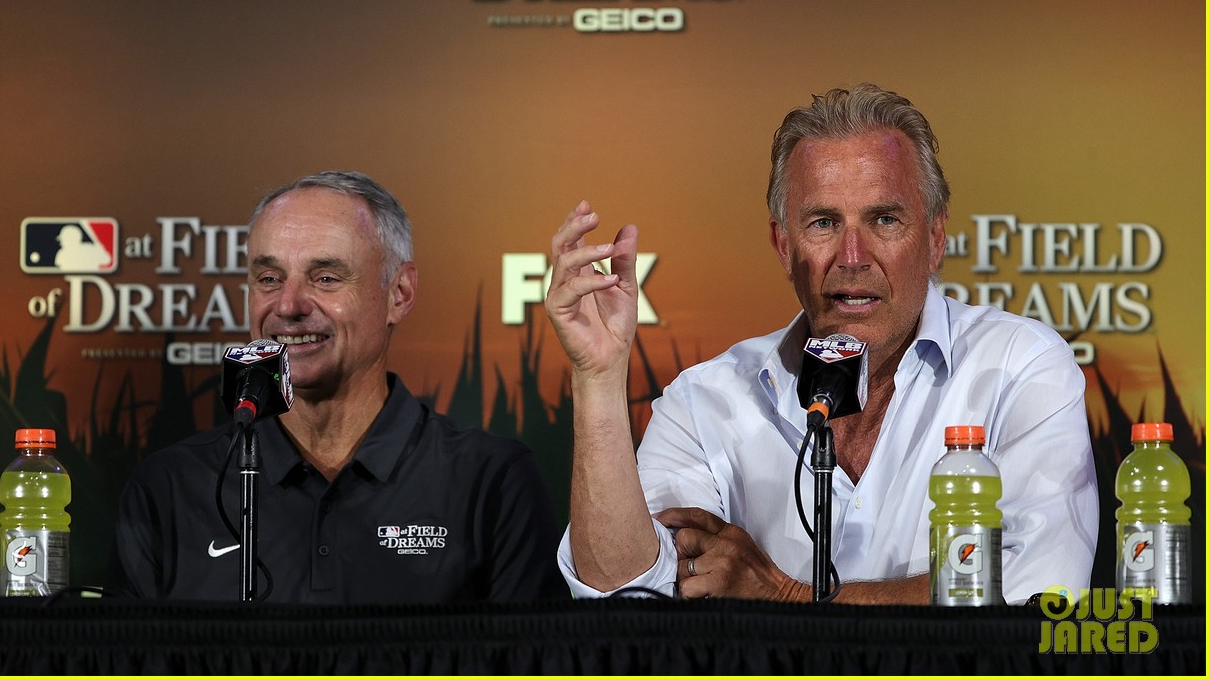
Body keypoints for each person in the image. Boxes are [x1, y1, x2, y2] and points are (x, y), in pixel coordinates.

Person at [545, 84, 1098, 604]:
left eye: (885, 219)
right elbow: (629, 594)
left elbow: (1038, 593)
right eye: (824, 223)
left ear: (934, 239)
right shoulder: (704, 401)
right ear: (783, 245)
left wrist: (784, 595)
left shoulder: (1018, 367)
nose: (852, 257)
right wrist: (598, 378)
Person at [107, 170, 567, 603]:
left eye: (325, 278)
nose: (288, 305)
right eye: (269, 279)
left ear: (399, 294)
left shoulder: (492, 481)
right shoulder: (168, 488)